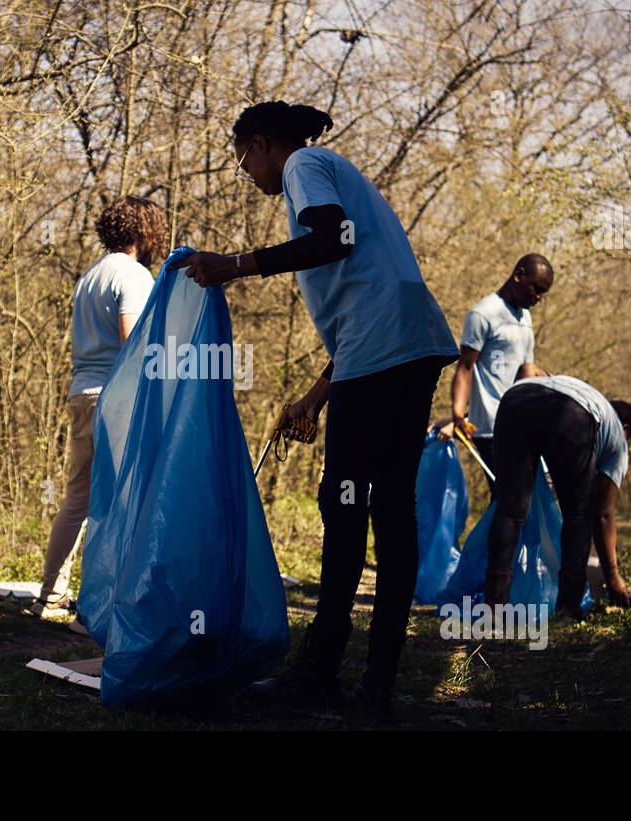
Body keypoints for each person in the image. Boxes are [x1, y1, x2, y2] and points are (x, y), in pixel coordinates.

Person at [184, 101, 460, 714]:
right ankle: (376, 686)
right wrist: (314, 396)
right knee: (389, 509)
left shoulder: (304, 164)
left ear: (260, 145)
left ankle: (318, 672)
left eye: (242, 161)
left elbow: (332, 239)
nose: (248, 174)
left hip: (386, 353)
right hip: (407, 349)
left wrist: (235, 266)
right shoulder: (339, 170)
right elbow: (367, 301)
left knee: (343, 503)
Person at [30, 196, 168, 632]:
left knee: (77, 500)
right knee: (122, 503)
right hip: (117, 399)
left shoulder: (89, 275)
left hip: (82, 394)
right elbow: (133, 344)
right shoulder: (133, 274)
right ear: (144, 232)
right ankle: (102, 608)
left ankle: (50, 597)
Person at [486, 374, 631, 615]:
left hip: (515, 400)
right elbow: (602, 515)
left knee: (510, 509)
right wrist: (613, 579)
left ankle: (494, 604)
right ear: (627, 429)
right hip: (571, 412)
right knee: (579, 512)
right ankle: (568, 607)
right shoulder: (618, 439)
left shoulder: (590, 397)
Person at [433, 254, 553, 495]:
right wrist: (458, 415)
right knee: (506, 500)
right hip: (492, 427)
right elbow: (465, 367)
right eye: (537, 288)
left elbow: (526, 370)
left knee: (521, 501)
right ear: (519, 276)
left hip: (521, 423)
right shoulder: (483, 314)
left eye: (543, 292)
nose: (539, 297)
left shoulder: (525, 317)